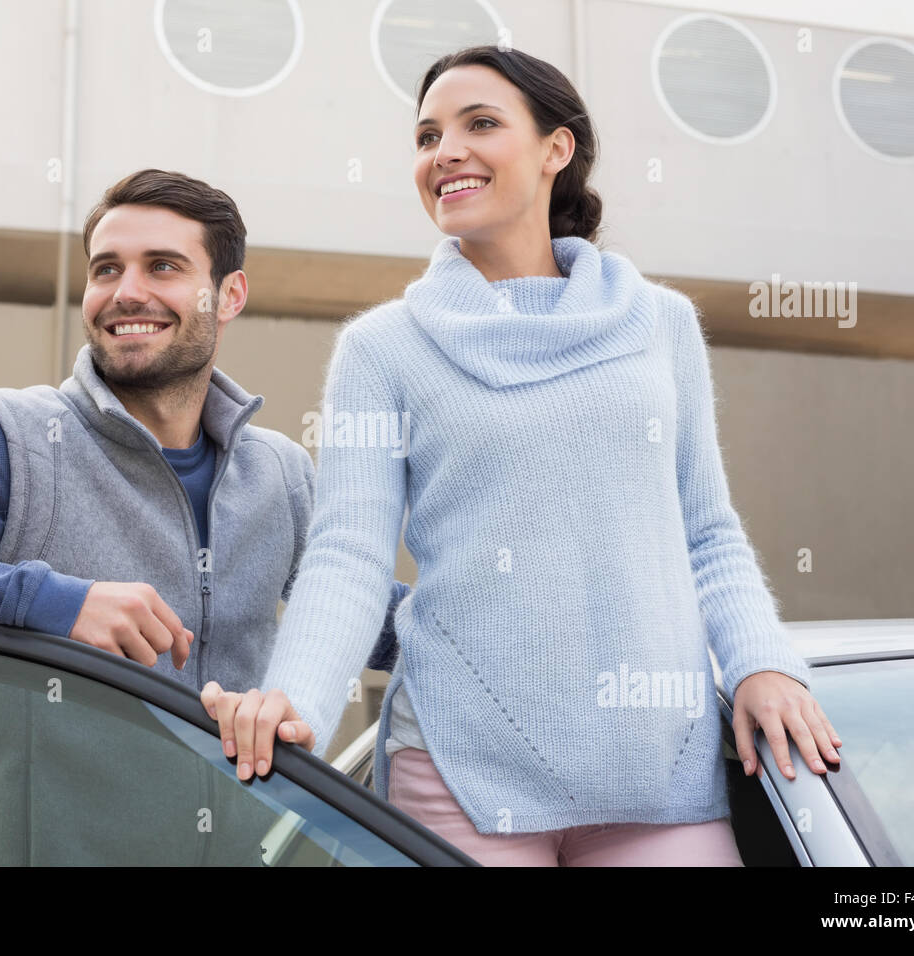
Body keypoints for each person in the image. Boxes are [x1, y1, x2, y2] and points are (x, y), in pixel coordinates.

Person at [201, 46, 843, 866]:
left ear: (555, 149)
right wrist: (295, 703)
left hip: (658, 773)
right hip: (460, 771)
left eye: (480, 125)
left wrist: (761, 663)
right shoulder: (383, 349)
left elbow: (705, 530)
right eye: (428, 136)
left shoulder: (662, 325)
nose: (445, 153)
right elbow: (349, 557)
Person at [0, 168, 404, 864]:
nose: (127, 292)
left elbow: (366, 616)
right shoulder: (2, 437)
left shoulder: (279, 472)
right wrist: (48, 602)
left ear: (230, 294)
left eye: (164, 267)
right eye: (106, 269)